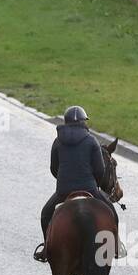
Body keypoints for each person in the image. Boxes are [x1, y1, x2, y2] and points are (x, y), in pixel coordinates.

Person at [33, 106, 119, 263]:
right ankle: (116, 246)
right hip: (89, 188)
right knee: (112, 212)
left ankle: (47, 247)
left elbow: (54, 168)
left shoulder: (58, 141)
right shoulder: (92, 141)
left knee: (46, 213)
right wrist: (94, 184)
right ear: (82, 122)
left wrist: (64, 180)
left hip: (64, 191)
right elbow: (100, 170)